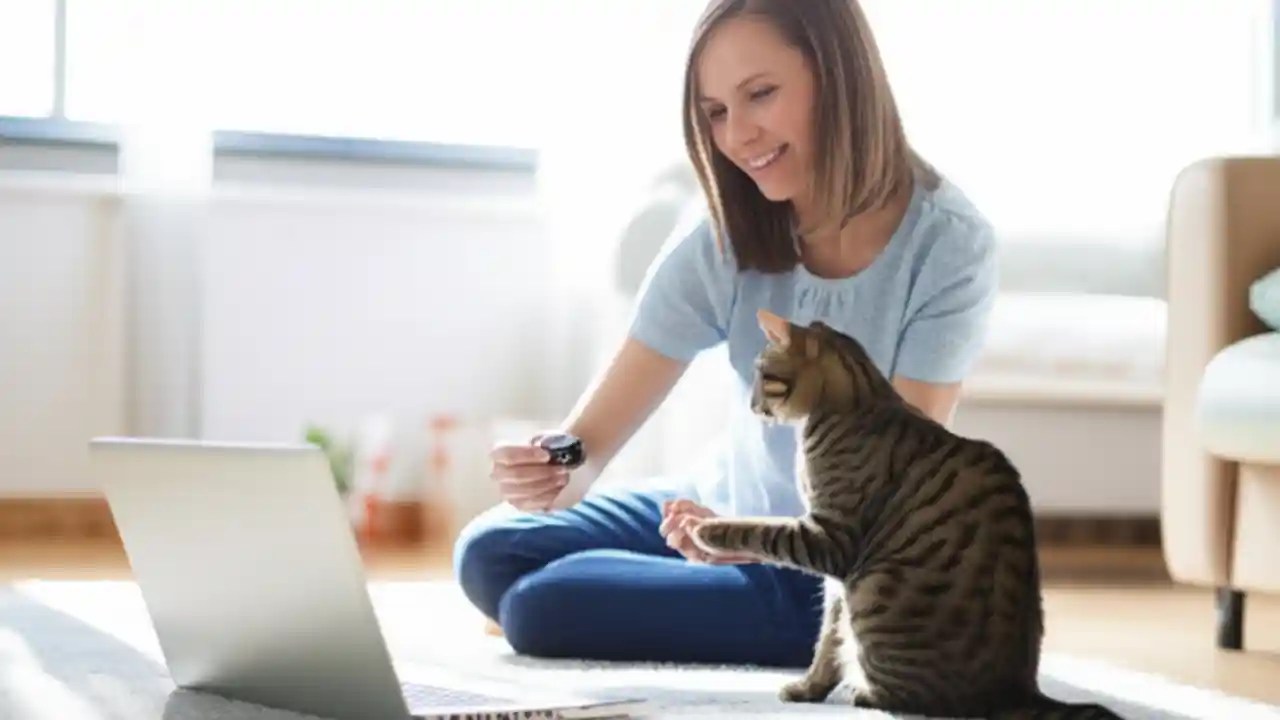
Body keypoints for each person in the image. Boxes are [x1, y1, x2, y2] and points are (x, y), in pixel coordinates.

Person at [453, 0, 997, 668]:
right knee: (488, 553)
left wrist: (757, 540)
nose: (737, 136)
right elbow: (586, 447)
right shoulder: (723, 230)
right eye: (714, 112)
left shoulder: (948, 245)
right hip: (722, 502)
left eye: (760, 94)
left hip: (844, 566)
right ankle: (669, 597)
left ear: (838, 74)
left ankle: (663, 603)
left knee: (542, 607)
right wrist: (553, 465)